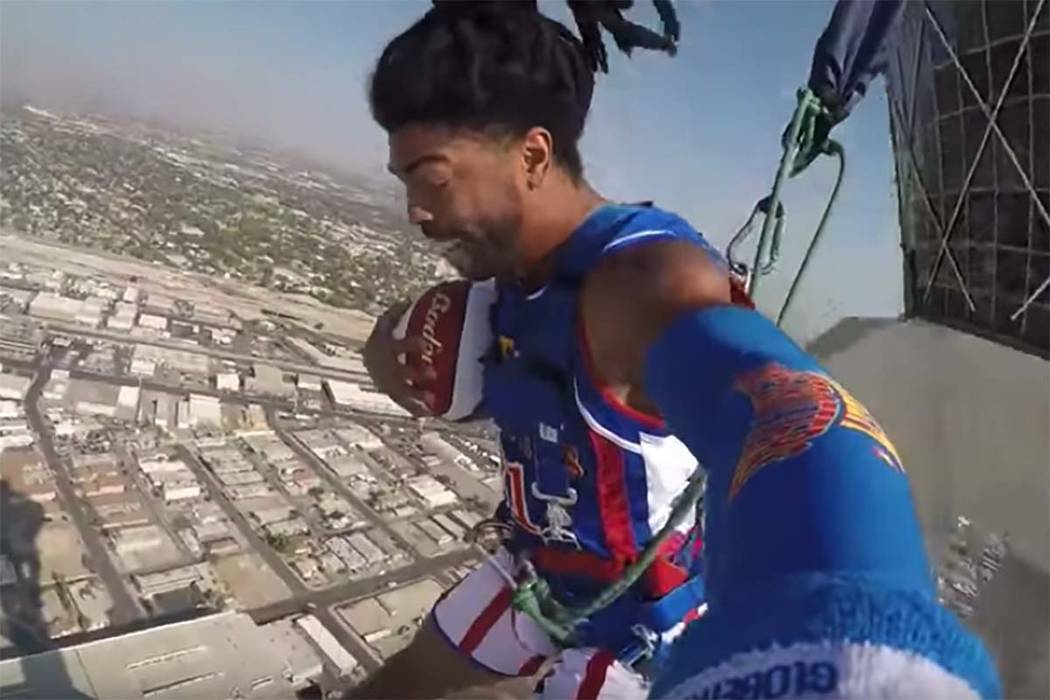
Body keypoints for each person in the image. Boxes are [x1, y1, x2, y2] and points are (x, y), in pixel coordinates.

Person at [356, 1, 1000, 698]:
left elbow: (806, 425)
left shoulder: (644, 283)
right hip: (547, 575)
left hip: (646, 633)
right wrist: (382, 350)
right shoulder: (517, 277)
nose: (416, 211)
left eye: (432, 176)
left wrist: (871, 649)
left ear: (533, 155)